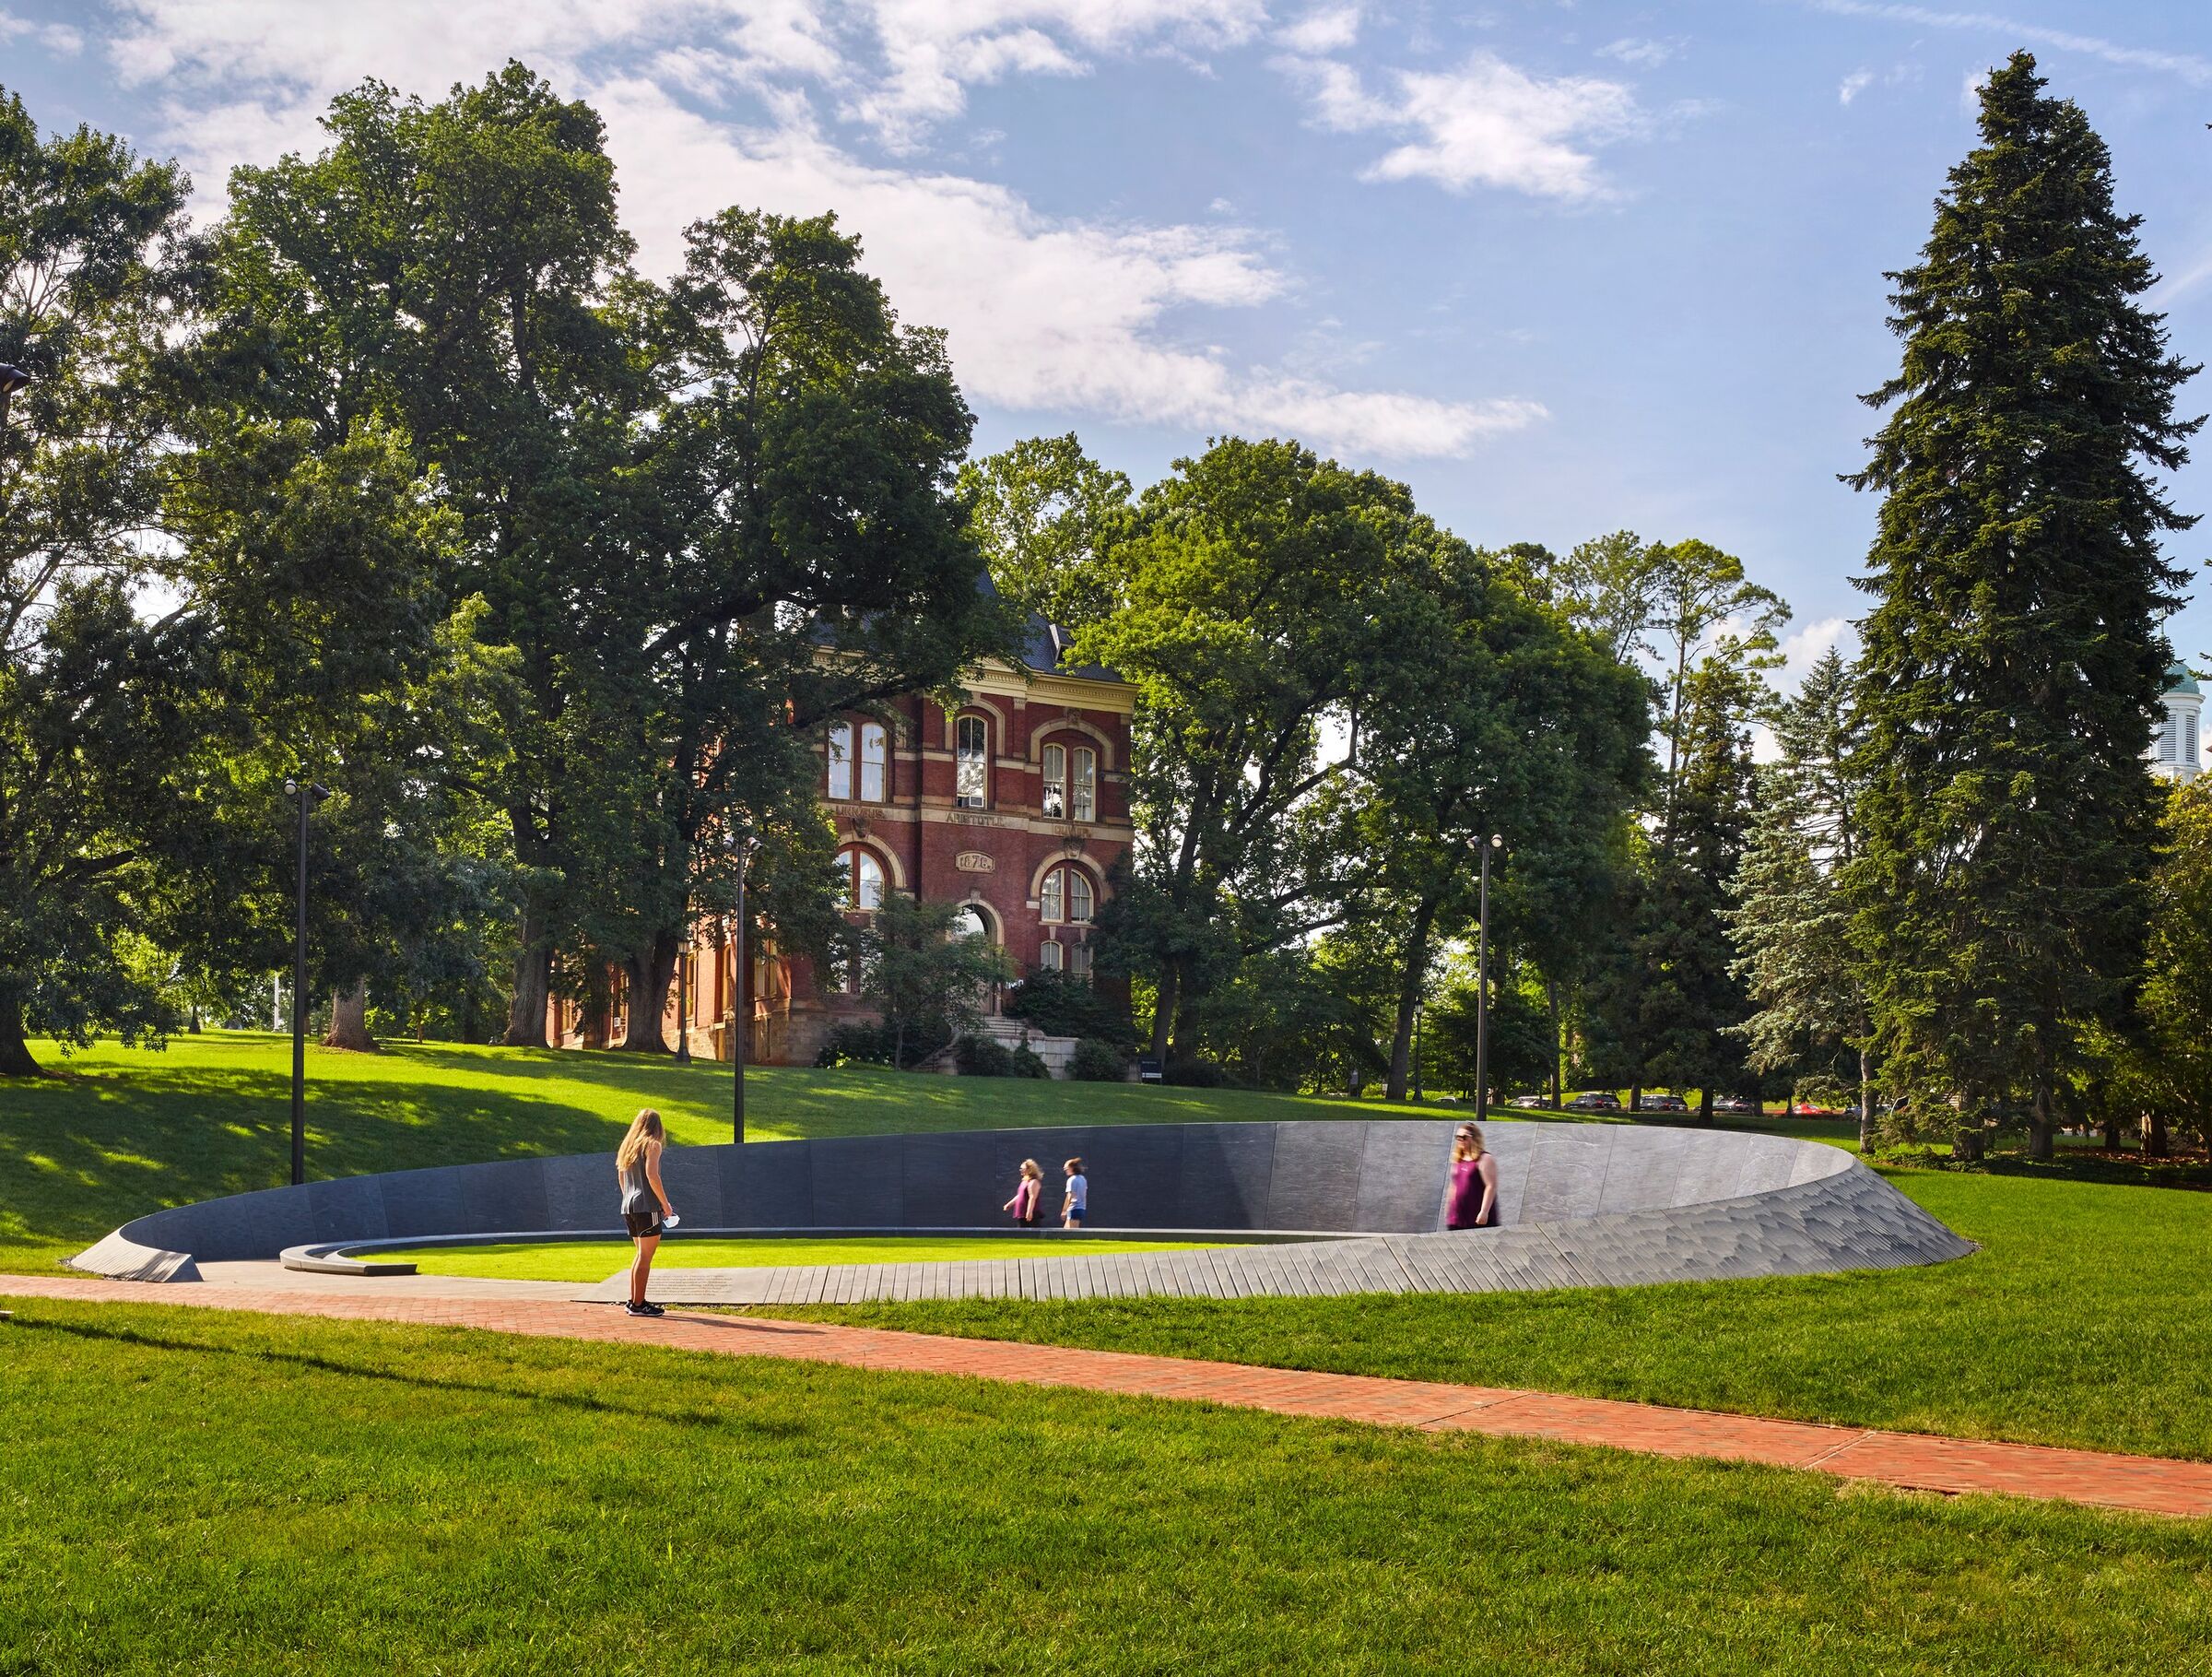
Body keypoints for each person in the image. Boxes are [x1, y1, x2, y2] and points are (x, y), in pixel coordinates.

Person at [616, 1108, 675, 1317]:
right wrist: (665, 1204)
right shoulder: (653, 1145)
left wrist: (628, 1198)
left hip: (629, 1206)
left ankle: (635, 1301)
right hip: (647, 1206)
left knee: (640, 1255)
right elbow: (652, 1175)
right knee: (646, 1257)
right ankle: (639, 1304)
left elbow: (622, 1178)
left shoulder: (627, 1147)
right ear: (657, 1126)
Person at [1444, 1123, 1500, 1230]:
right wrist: (1448, 1208)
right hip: (1457, 1217)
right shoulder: (1458, 1159)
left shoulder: (1484, 1159)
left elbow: (1491, 1186)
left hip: (1477, 1218)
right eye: (1458, 1137)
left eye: (1464, 1137)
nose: (1460, 1140)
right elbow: (1454, 1185)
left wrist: (1484, 1211)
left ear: (1474, 1138)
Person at [1004, 1158, 1044, 1225]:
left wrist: (1029, 1212)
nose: (1021, 1170)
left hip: (1031, 1214)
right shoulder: (1024, 1181)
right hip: (1021, 1213)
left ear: (1030, 1169)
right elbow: (1020, 1195)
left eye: (1023, 1169)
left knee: (1031, 1234)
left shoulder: (1034, 1181)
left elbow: (1032, 1197)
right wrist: (1009, 1204)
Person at [1061, 1157, 1088, 1229]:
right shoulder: (1083, 1179)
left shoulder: (1071, 1180)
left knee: (1072, 1232)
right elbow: (1084, 1195)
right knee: (1065, 1230)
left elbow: (1069, 1196)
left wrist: (1064, 1210)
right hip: (1081, 1209)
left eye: (1066, 1168)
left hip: (1074, 1209)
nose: (1065, 1170)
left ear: (1072, 1168)